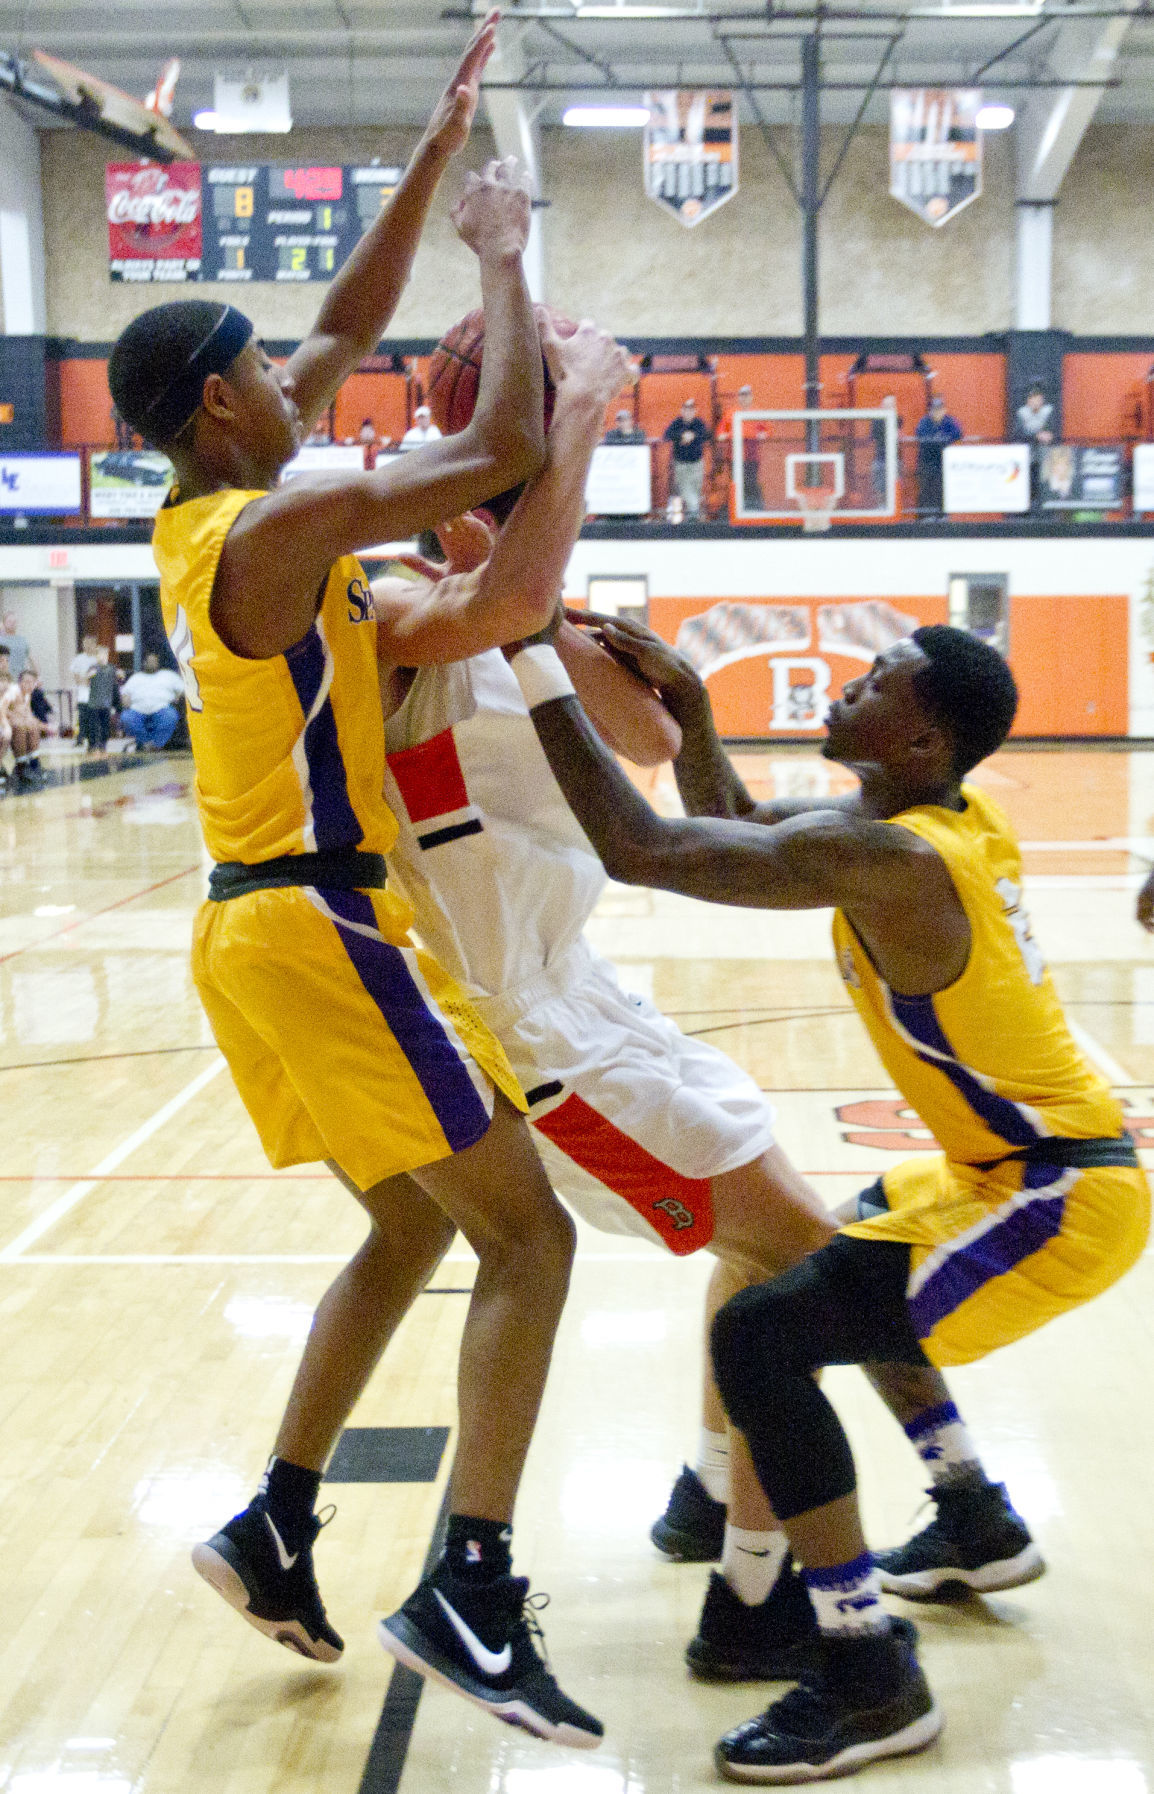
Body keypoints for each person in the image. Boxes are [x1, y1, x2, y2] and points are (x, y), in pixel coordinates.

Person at [106, 17, 605, 1750]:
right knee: (528, 1238)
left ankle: (272, 1518)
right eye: (268, 367)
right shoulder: (265, 532)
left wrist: (430, 147)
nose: (300, 372)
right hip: (320, 914)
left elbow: (343, 321)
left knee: (410, 1223)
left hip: (261, 919)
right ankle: (469, 1575)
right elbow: (491, 457)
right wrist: (508, 258)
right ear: (223, 403)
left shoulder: (224, 491)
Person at [502, 611, 1149, 1782]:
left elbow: (644, 849)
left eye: (874, 685)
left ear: (917, 744)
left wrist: (529, 658)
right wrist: (693, 713)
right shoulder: (921, 818)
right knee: (843, 1239)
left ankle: (860, 1662)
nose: (846, 691)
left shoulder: (894, 862)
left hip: (1052, 1200)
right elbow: (742, 827)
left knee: (761, 1336)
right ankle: (969, 1510)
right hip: (1001, 1172)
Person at [373, 367, 839, 1686]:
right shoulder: (410, 603)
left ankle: (712, 1500)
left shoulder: (530, 620)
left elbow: (644, 731)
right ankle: (758, 1602)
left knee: (772, 1258)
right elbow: (645, 758)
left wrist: (547, 597)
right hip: (525, 1028)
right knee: (808, 1270)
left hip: (582, 991)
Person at [120, 652, 184, 751]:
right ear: (144, 663)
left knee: (170, 716)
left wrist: (178, 697)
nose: (151, 663)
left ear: (158, 663)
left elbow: (183, 689)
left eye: (154, 661)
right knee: (126, 717)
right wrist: (125, 699)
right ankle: (145, 743)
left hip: (162, 708)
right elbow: (125, 694)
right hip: (137, 710)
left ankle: (156, 745)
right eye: (149, 661)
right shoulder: (136, 677)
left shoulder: (167, 675)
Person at [663, 397, 711, 519]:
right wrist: (681, 436)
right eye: (686, 409)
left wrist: (693, 435)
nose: (688, 412)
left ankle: (689, 517)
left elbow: (707, 434)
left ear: (695, 411)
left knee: (695, 491)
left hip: (697, 464)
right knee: (686, 490)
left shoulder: (699, 423)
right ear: (682, 411)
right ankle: (694, 516)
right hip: (681, 465)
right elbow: (666, 435)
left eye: (691, 409)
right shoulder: (677, 423)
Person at [913, 394, 962, 515]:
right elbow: (921, 435)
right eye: (934, 409)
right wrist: (939, 439)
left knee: (943, 489)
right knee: (925, 489)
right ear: (930, 411)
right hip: (926, 461)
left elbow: (958, 432)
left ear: (944, 410)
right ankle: (924, 517)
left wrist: (941, 438)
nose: (937, 412)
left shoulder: (949, 421)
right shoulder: (924, 422)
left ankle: (942, 516)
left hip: (943, 462)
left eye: (940, 409)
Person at [0, 660, 43, 785]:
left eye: (5, 681)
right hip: (5, 722)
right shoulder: (13, 691)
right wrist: (7, 724)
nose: (3, 684)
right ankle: (20, 765)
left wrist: (41, 725)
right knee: (18, 727)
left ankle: (30, 763)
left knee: (31, 726)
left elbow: (24, 713)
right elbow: (3, 710)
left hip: (6, 721)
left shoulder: (25, 694)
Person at [70, 634, 101, 750]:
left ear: (94, 644)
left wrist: (88, 680)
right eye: (85, 643)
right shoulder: (78, 659)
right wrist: (85, 680)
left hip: (96, 693)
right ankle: (80, 738)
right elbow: (77, 678)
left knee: (94, 718)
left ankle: (93, 742)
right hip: (83, 693)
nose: (87, 646)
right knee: (82, 716)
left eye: (90, 643)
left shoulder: (98, 659)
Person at [86, 650, 119, 752]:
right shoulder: (93, 668)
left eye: (104, 654)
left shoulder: (112, 668)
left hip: (106, 703)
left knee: (105, 725)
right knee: (93, 725)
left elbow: (119, 678)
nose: (102, 657)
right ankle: (92, 744)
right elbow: (87, 678)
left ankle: (103, 744)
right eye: (99, 654)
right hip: (94, 703)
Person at [0, 609, 33, 679]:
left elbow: (31, 658)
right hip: (4, 680)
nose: (12, 624)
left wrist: (37, 676)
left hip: (20, 680)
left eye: (14, 622)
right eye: (9, 621)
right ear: (3, 623)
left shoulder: (23, 640)